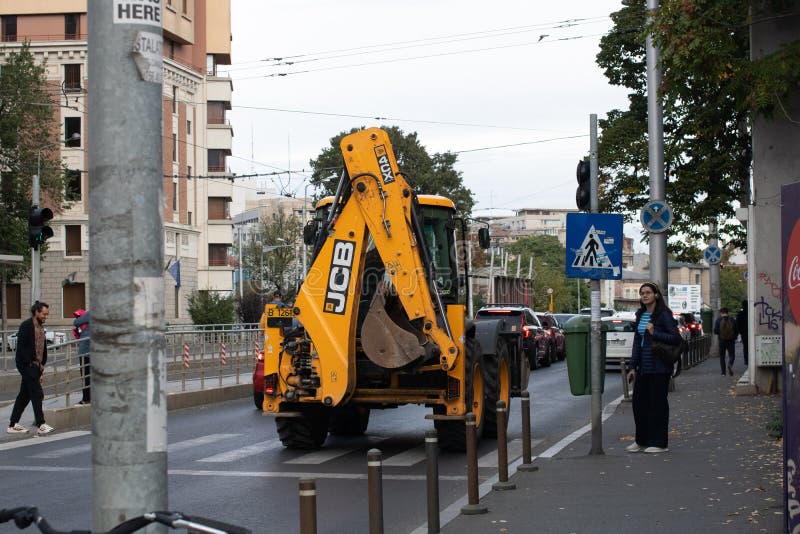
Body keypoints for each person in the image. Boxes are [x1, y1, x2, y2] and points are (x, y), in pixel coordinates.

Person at [625, 282, 682, 454]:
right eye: (642, 293)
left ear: (656, 295)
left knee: (657, 406)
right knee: (639, 405)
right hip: (643, 366)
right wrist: (632, 366)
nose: (644, 295)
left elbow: (675, 338)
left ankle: (659, 443)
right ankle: (641, 440)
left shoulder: (663, 314)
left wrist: (654, 332)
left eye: (648, 292)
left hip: (659, 367)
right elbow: (637, 342)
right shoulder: (641, 314)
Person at [7, 301, 54, 435]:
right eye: (44, 314)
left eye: (47, 314)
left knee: (24, 395)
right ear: (37, 312)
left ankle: (12, 424)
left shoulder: (40, 327)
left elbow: (42, 348)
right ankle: (41, 423)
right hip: (27, 365)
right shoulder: (26, 326)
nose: (46, 316)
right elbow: (21, 349)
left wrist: (41, 366)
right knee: (37, 393)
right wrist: (29, 365)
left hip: (37, 366)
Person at [73, 309, 91, 405]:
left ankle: (86, 398)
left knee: (85, 376)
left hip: (86, 351)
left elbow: (76, 322)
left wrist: (82, 315)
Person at [714, 307, 739, 376]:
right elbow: (736, 330)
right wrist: (734, 337)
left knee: (722, 357)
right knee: (732, 355)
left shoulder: (718, 320)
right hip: (731, 341)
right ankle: (730, 364)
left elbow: (715, 331)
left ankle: (723, 373)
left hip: (722, 341)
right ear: (727, 312)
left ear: (721, 313)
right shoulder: (732, 320)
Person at [736, 300, 748, 366]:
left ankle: (746, 360)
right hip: (749, 332)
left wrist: (739, 332)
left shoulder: (740, 314)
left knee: (745, 347)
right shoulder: (751, 312)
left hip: (744, 333)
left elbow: (738, 324)